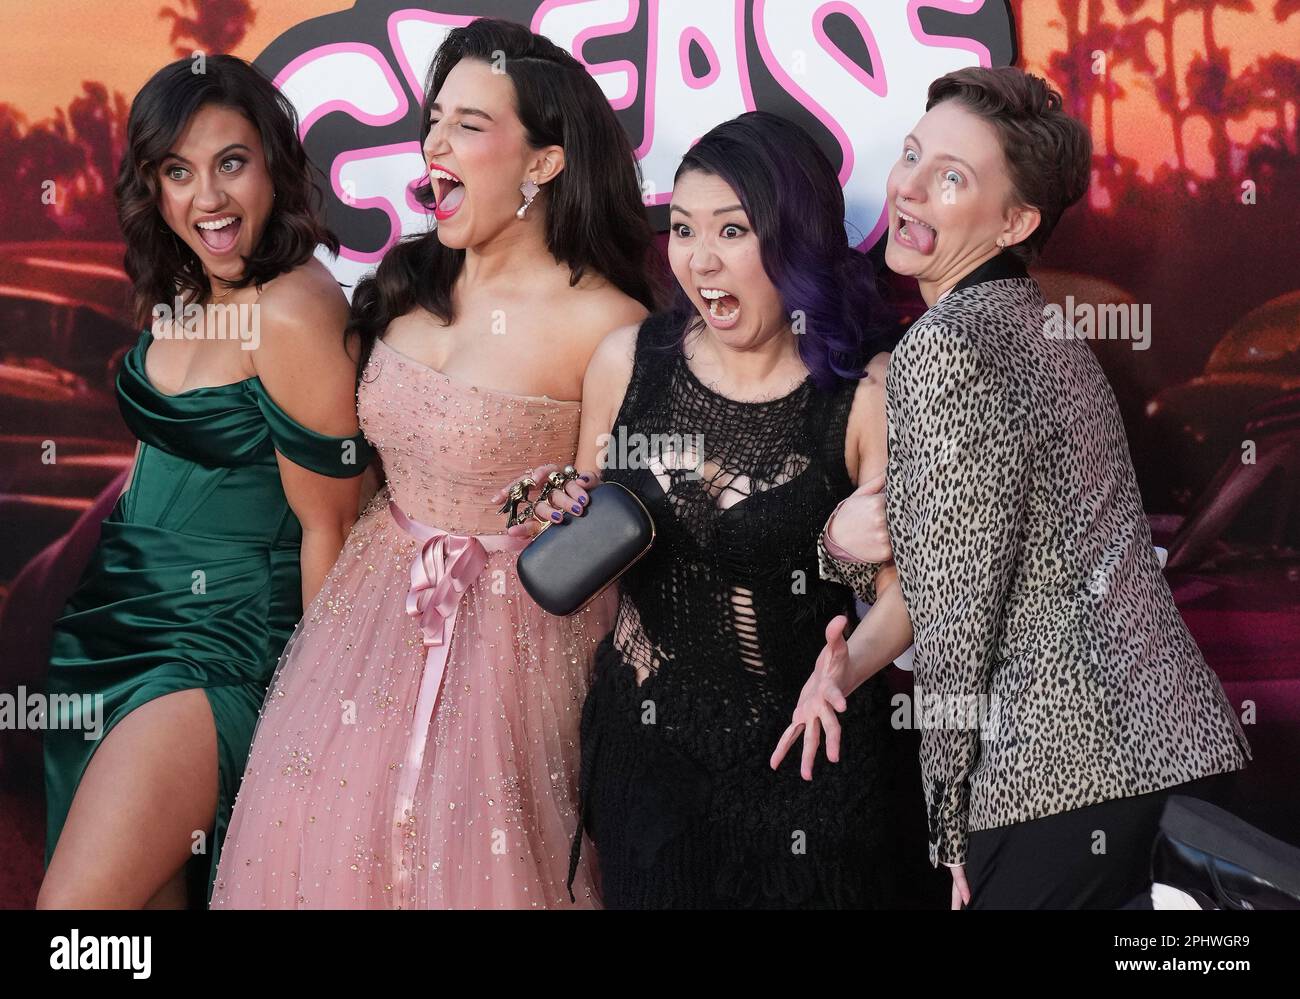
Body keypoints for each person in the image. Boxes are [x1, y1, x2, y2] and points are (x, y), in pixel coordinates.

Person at [210, 18, 656, 909]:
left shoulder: (607, 323)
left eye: (470, 125)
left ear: (543, 164)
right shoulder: (408, 279)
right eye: (435, 119)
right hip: (364, 621)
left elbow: (608, 536)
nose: (435, 143)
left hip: (517, 653)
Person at [807, 66, 1250, 909]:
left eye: (952, 179)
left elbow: (956, 615)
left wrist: (946, 825)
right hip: (1164, 755)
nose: (908, 189)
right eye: (912, 156)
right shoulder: (1044, 328)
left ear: (1016, 220)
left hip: (1060, 779)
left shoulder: (946, 344)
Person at [512, 111, 906, 909]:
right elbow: (590, 505)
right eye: (684, 228)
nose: (699, 258)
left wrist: (848, 663)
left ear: (794, 240)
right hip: (650, 747)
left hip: (809, 750)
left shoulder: (868, 392)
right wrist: (553, 499)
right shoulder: (629, 359)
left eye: (732, 230)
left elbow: (909, 592)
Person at [40, 55, 371, 908]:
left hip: (213, 649)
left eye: (231, 162)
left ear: (274, 162)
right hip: (115, 626)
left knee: (73, 924)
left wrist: (314, 727)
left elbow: (335, 529)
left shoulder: (295, 311)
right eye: (177, 173)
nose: (208, 200)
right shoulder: (184, 281)